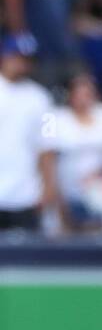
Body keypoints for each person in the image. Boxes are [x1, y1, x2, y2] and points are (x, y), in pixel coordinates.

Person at [51, 70, 102, 232]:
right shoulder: (53, 118)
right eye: (80, 92)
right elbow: (45, 154)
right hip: (66, 191)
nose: (85, 97)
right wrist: (52, 190)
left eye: (89, 93)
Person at [0, 33, 60, 232]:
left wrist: (49, 187)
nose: (21, 64)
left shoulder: (42, 98)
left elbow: (48, 145)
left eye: (27, 59)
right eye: (16, 57)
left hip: (25, 193)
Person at [3, 0, 75, 83]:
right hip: (37, 45)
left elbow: (64, 5)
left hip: (61, 43)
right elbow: (12, 0)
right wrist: (20, 36)